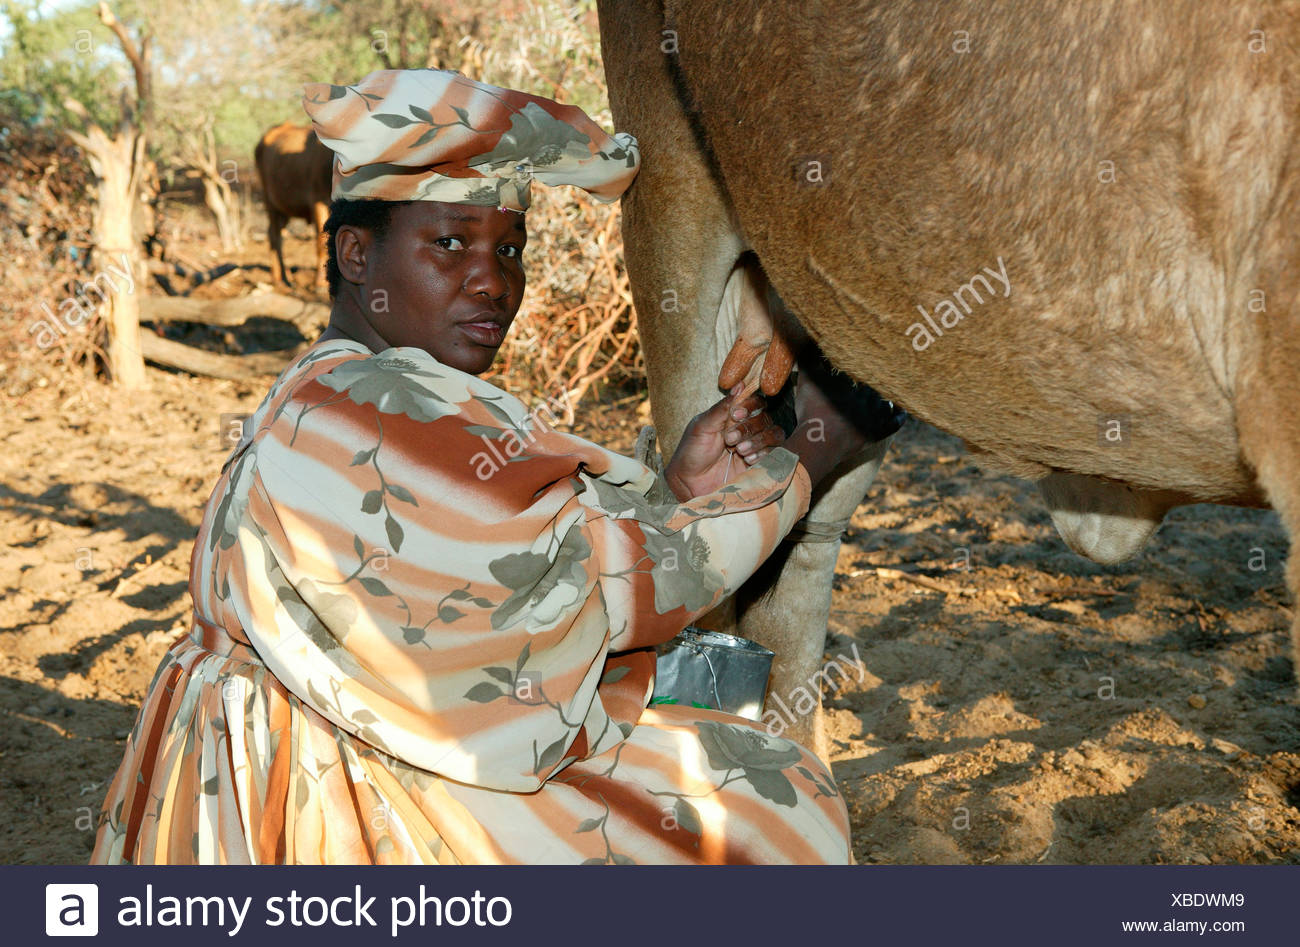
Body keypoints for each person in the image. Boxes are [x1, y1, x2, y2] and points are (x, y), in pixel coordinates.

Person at [91, 69, 881, 865]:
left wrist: (677, 489)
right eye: (450, 243)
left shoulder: (326, 385)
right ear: (357, 254)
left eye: (510, 248)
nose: (492, 280)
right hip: (325, 789)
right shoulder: (387, 404)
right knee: (765, 797)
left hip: (259, 770)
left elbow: (514, 564)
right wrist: (802, 455)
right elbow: (597, 587)